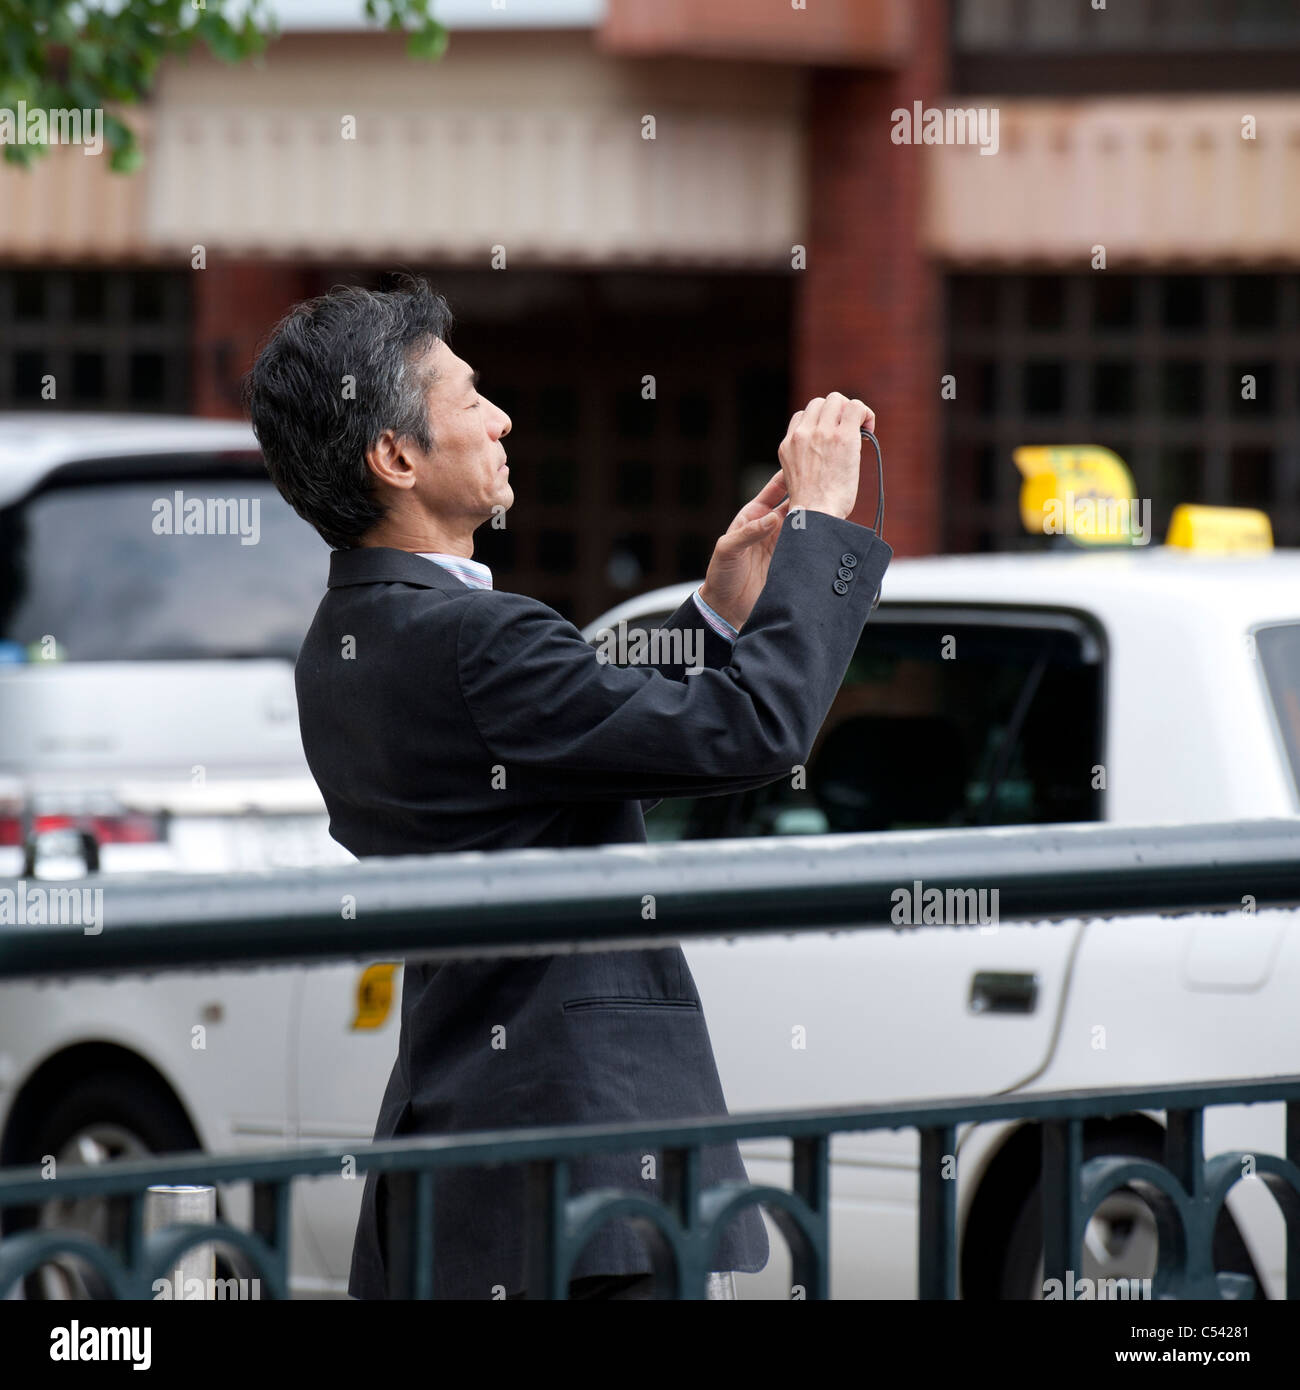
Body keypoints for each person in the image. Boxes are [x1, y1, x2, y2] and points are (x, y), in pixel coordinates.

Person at [242, 275, 891, 1300]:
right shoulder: (472, 638)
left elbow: (567, 729)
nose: (500, 418)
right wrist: (821, 530)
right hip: (582, 1184)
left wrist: (715, 614)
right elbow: (754, 730)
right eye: (467, 399)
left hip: (459, 1162)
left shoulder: (340, 647)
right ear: (396, 457)